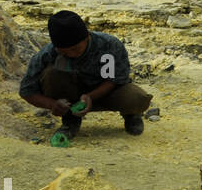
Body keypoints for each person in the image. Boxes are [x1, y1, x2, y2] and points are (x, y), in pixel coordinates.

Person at [18, 10, 154, 140]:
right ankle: (71, 119)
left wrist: (90, 97)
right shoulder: (48, 54)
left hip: (107, 93)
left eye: (76, 49)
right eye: (64, 53)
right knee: (51, 74)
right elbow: (26, 91)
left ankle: (131, 115)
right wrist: (53, 104)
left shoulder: (109, 45)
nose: (71, 54)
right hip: (71, 97)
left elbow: (116, 79)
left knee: (137, 98)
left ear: (87, 37)